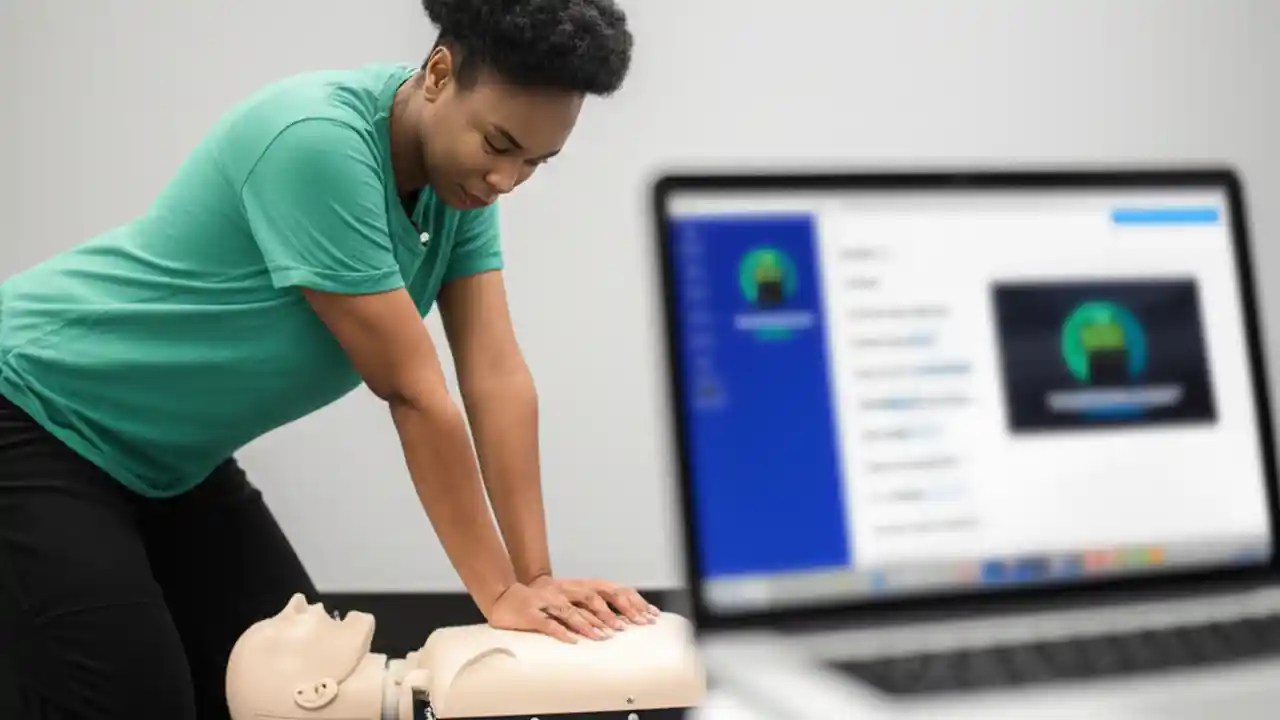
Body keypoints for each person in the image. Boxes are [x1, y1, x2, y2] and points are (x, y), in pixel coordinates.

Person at [0, 0, 653, 717]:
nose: (507, 179)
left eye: (536, 161)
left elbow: (494, 376)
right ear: (439, 73)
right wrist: (498, 595)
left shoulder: (455, 191)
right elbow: (413, 390)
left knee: (307, 691)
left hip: (167, 460)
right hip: (34, 409)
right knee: (133, 700)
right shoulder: (316, 141)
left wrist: (535, 579)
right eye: (499, 145)